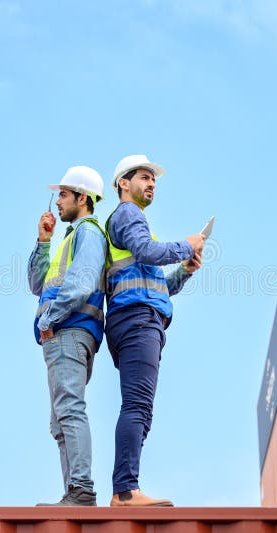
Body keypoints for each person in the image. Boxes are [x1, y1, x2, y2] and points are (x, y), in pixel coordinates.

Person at [104, 154, 205, 507]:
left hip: (137, 318)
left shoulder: (132, 222)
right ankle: (125, 491)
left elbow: (157, 286)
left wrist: (185, 271)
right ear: (123, 183)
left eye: (154, 180)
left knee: (141, 408)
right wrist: (186, 245)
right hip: (136, 320)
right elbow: (147, 251)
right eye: (144, 177)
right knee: (137, 406)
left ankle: (126, 488)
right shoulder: (128, 214)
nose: (151, 184)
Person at [27, 165, 107, 506]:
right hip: (63, 333)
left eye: (63, 194)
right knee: (60, 420)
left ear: (82, 198)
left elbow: (82, 283)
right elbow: (37, 284)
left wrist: (49, 319)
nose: (57, 202)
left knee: (69, 410)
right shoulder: (69, 238)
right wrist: (43, 241)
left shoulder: (88, 233)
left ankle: (81, 490)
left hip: (69, 331)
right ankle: (74, 493)